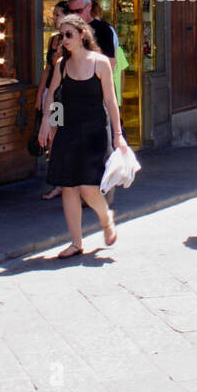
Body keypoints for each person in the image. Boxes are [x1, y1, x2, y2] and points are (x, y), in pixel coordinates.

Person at [37, 15, 123, 258]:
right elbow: (52, 95)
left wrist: (118, 134)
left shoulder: (100, 63)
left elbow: (110, 100)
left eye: (68, 35)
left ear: (82, 34)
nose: (63, 40)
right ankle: (76, 242)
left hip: (95, 131)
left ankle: (106, 220)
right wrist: (47, 122)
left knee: (87, 188)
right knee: (68, 187)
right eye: (61, 36)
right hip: (68, 131)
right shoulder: (62, 64)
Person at [38, 1, 70, 201]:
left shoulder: (71, 40)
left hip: (63, 95)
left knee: (59, 135)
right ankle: (59, 180)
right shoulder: (53, 39)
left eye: (57, 14)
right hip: (52, 91)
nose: (54, 18)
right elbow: (48, 69)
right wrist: (40, 92)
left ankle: (63, 181)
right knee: (53, 136)